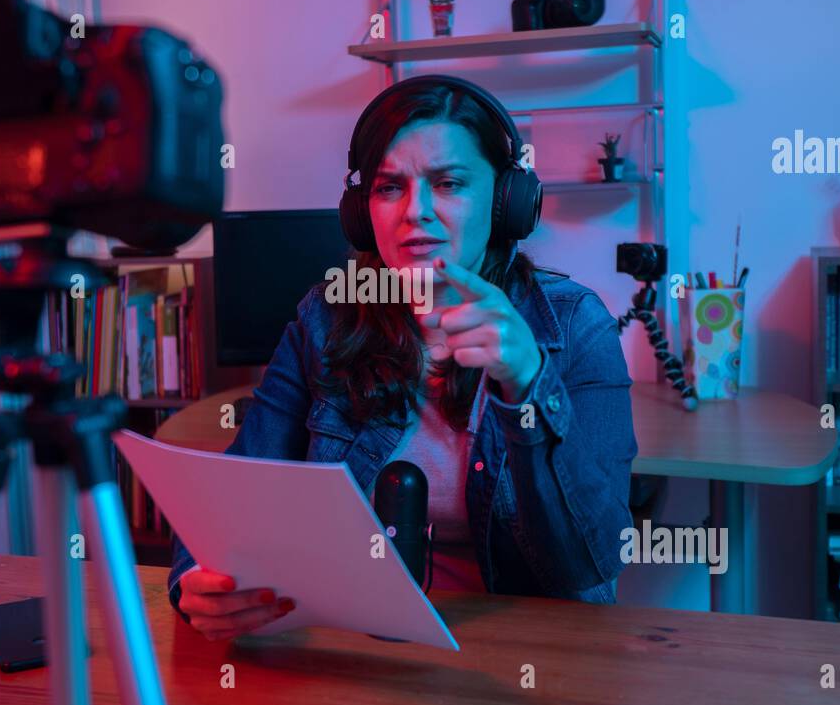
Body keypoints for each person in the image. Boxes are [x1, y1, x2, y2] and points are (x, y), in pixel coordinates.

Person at [168, 75, 637, 641]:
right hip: (358, 649)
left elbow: (586, 565)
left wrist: (527, 385)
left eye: (448, 183)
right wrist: (195, 578)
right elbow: (236, 495)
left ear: (505, 200)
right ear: (362, 213)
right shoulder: (325, 319)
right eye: (389, 188)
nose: (416, 211)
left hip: (524, 652)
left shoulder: (574, 325)